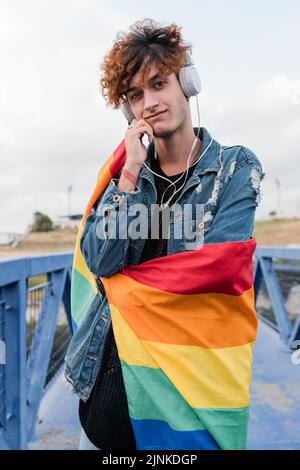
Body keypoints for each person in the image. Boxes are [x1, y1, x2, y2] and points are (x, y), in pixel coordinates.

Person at [63, 18, 265, 451]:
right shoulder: (123, 175)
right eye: (135, 95)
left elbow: (212, 273)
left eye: (158, 84)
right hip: (104, 401)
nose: (149, 102)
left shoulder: (235, 168)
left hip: (184, 401)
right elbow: (100, 261)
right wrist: (131, 173)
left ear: (186, 84)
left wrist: (128, 286)